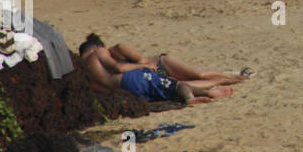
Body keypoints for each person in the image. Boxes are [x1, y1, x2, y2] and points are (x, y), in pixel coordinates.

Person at [78, 38, 233, 104]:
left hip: (127, 91)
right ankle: (204, 93)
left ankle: (204, 91)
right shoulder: (98, 53)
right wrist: (143, 66)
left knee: (167, 91)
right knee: (177, 85)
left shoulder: (82, 72)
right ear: (97, 47)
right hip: (133, 78)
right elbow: (119, 68)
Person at [87, 34, 250, 86]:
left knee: (198, 75)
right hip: (152, 74)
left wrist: (142, 67)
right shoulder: (106, 65)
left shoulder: (119, 48)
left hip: (161, 63)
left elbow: (142, 59)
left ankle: (232, 77)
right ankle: (227, 78)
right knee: (188, 83)